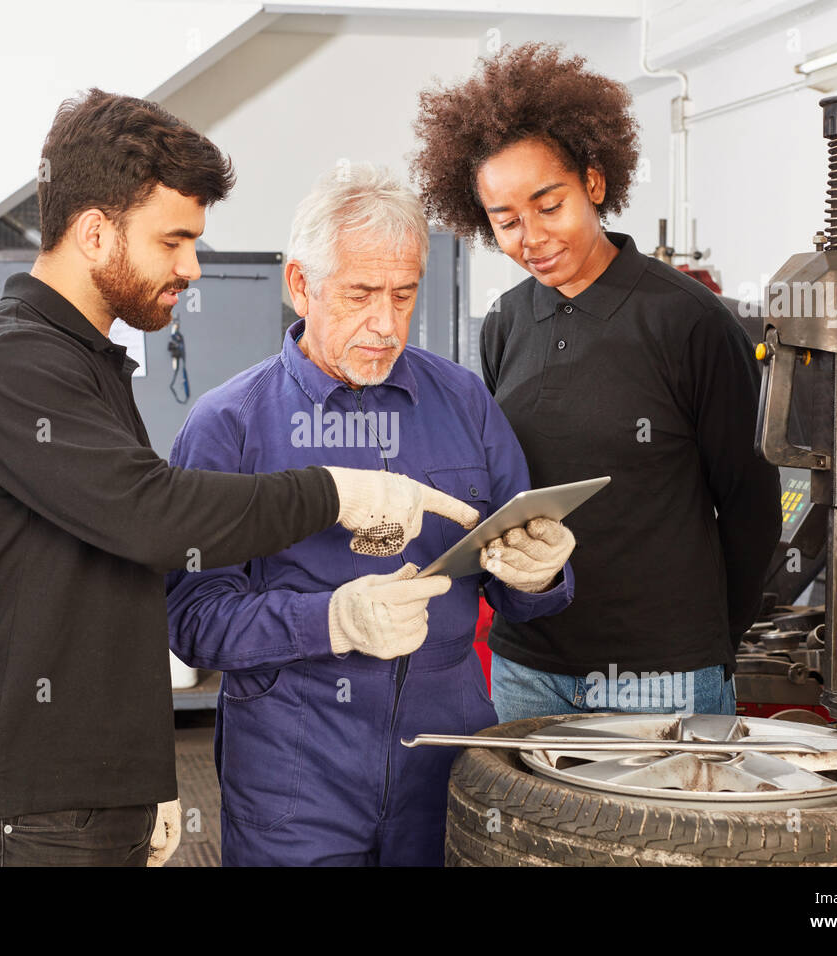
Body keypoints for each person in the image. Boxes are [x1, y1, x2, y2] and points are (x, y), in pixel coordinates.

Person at [0, 91, 478, 867]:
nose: (191, 267)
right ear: (95, 231)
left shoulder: (88, 362)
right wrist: (342, 493)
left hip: (85, 792)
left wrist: (145, 781)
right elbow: (155, 518)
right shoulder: (14, 362)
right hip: (24, 802)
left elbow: (117, 582)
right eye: (173, 240)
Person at [165, 164, 576, 867]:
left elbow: (520, 587)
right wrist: (334, 619)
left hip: (445, 753)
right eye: (359, 295)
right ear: (301, 284)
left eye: (403, 294)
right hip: (294, 765)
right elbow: (194, 622)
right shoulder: (228, 425)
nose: (385, 324)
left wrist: (541, 575)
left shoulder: (465, 404)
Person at [410, 43, 781, 720]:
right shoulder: (504, 322)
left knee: (662, 833)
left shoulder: (688, 321)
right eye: (506, 221)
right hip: (527, 664)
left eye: (548, 204)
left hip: (663, 675)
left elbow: (752, 509)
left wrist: (710, 648)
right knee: (532, 831)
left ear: (595, 183)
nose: (531, 237)